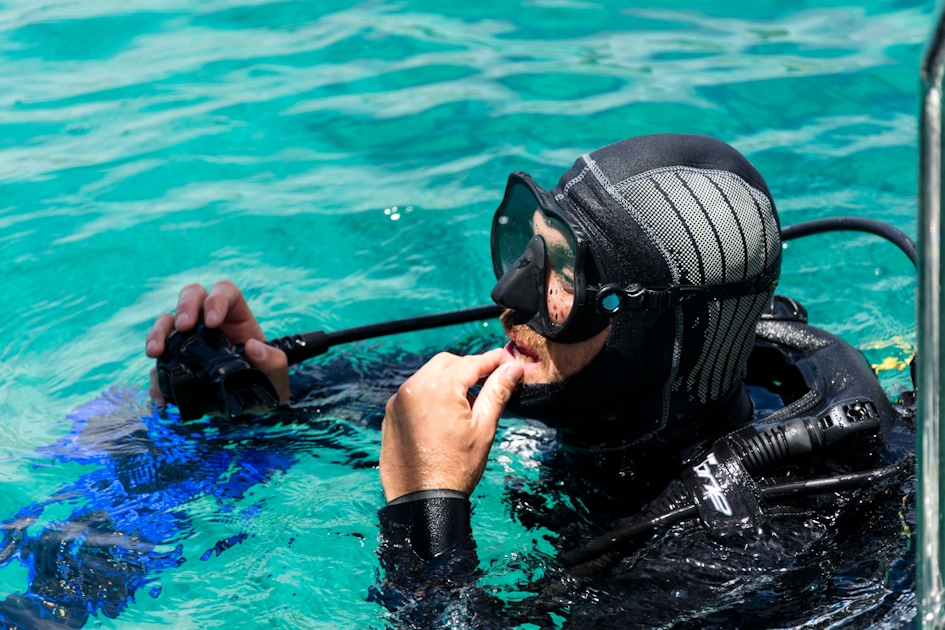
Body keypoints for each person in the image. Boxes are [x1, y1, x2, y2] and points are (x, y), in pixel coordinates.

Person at [146, 134, 909, 626]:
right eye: (529, 247)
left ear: (649, 330)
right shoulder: (580, 376)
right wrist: (259, 391)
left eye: (565, 274)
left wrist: (424, 510)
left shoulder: (731, 556)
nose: (510, 293)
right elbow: (390, 409)